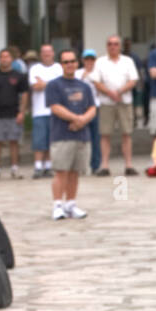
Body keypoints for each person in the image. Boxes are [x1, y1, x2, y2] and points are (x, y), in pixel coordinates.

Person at [45, 48, 93, 220]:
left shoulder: (84, 86)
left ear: (77, 63)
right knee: (61, 171)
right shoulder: (54, 85)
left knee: (74, 172)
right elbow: (55, 107)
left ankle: (71, 204)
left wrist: (83, 120)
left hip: (81, 135)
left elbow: (92, 108)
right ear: (61, 65)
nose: (70, 65)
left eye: (72, 61)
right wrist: (76, 118)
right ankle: (57, 204)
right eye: (66, 62)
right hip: (61, 134)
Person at [89, 34, 139, 176]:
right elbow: (96, 82)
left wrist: (119, 91)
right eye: (110, 44)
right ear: (107, 46)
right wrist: (110, 93)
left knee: (127, 133)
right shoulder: (100, 62)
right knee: (105, 134)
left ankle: (128, 165)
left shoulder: (128, 61)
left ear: (120, 46)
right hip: (106, 103)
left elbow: (133, 80)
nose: (113, 46)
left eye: (116, 44)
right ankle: (104, 165)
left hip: (125, 101)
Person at [0, 47, 27, 179]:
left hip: (14, 113)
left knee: (14, 141)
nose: (5, 59)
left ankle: (15, 168)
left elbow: (24, 94)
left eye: (7, 57)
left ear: (12, 59)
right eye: (2, 57)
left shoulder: (19, 76)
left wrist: (22, 112)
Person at [27, 44, 60, 178]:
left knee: (52, 141)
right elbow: (35, 86)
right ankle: (38, 167)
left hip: (55, 110)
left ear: (53, 53)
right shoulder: (35, 68)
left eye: (49, 52)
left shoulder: (59, 67)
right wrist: (52, 83)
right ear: (41, 55)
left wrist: (44, 83)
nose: (47, 54)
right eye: (44, 52)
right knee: (39, 141)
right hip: (39, 111)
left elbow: (61, 86)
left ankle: (48, 167)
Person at [72, 49, 103, 174]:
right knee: (79, 139)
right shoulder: (77, 73)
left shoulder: (99, 73)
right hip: (80, 109)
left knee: (96, 138)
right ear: (82, 60)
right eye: (87, 59)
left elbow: (102, 89)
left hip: (95, 107)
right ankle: (78, 165)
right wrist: (84, 77)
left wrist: (93, 80)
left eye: (92, 59)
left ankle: (95, 165)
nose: (89, 62)